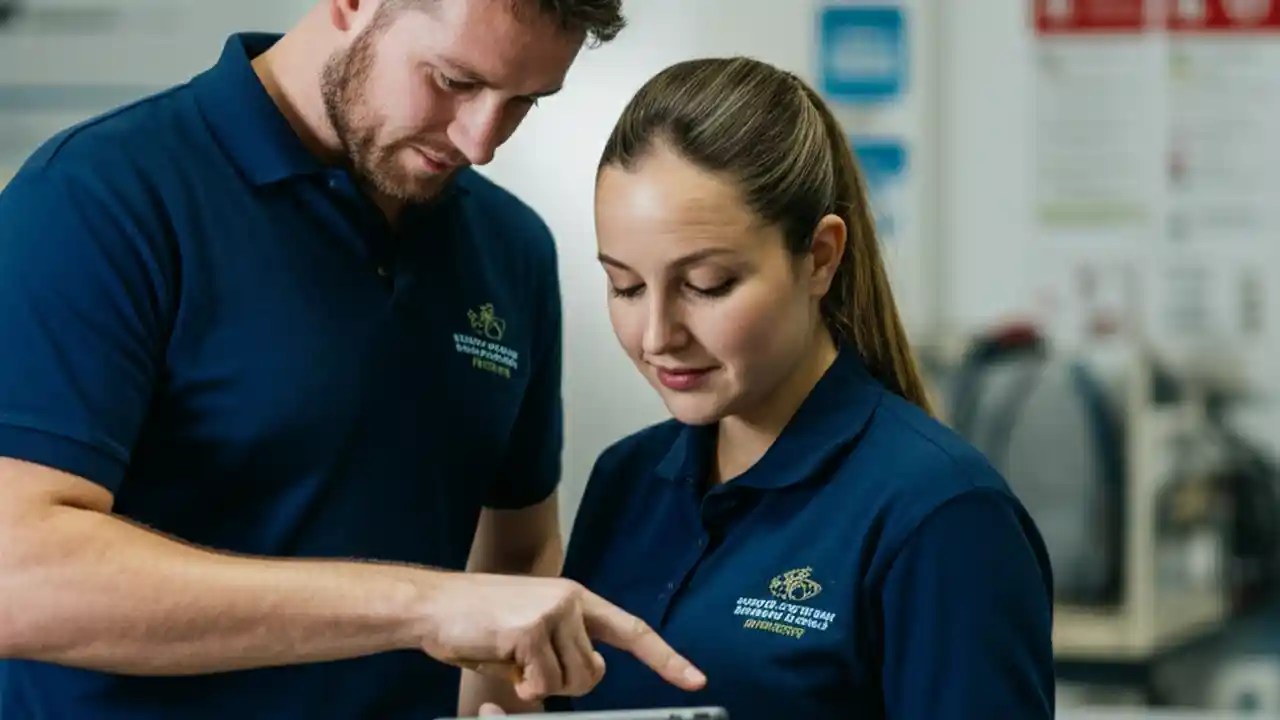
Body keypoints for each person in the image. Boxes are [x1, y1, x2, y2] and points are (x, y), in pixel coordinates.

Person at [0, 1, 708, 718]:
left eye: (523, 100)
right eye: (454, 80)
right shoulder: (98, 197)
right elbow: (17, 578)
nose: (482, 141)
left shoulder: (510, 248)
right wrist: (421, 604)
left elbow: (518, 560)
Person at [477, 56, 1057, 718]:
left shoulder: (942, 516)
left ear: (820, 258)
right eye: (626, 286)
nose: (657, 334)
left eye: (708, 285)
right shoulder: (627, 481)